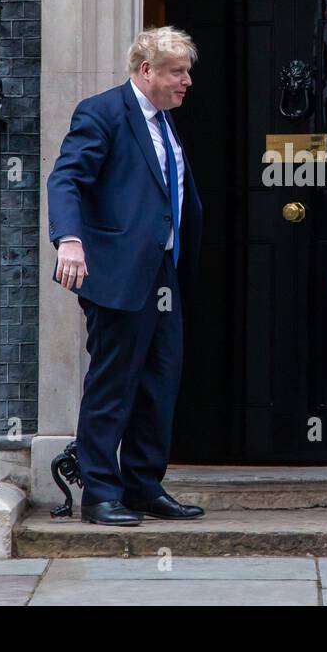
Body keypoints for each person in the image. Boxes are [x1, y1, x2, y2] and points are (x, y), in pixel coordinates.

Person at [46, 27, 205, 526]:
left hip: (162, 271)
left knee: (159, 380)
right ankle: (98, 491)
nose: (187, 82)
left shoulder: (164, 121)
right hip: (117, 272)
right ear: (146, 71)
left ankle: (142, 486)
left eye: (187, 72)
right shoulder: (103, 112)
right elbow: (66, 178)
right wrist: (68, 239)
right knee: (113, 382)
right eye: (178, 72)